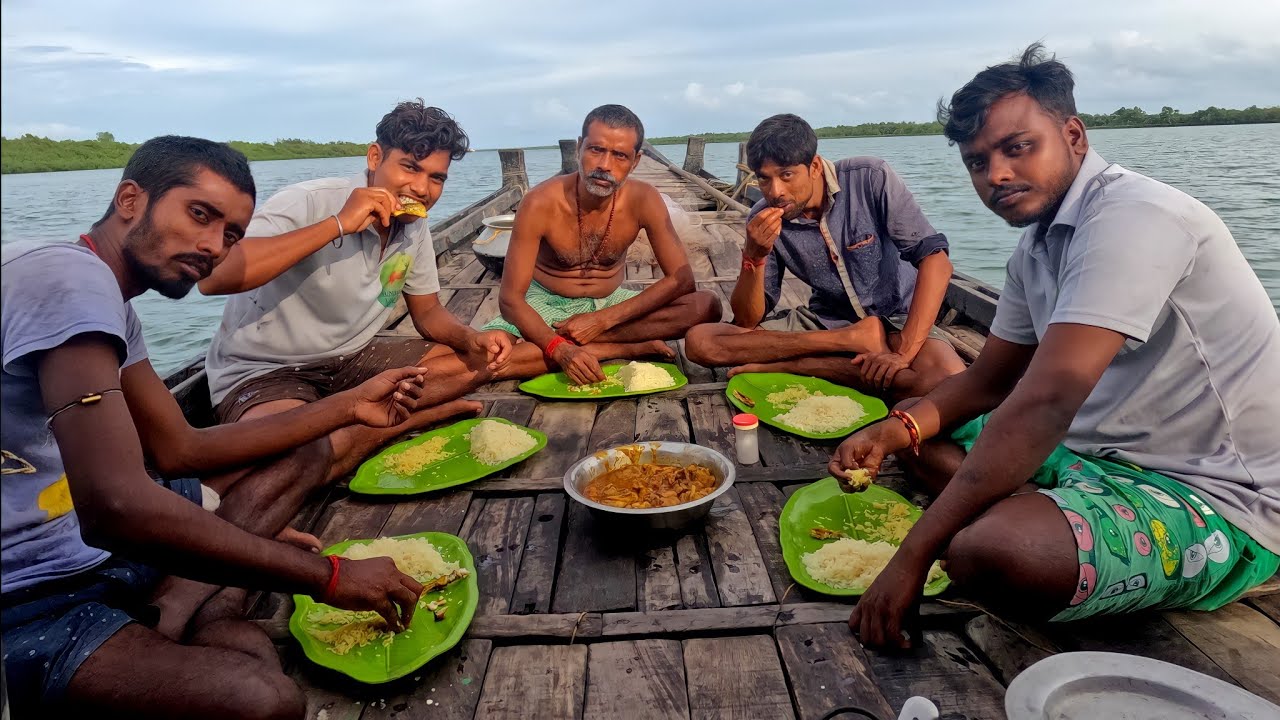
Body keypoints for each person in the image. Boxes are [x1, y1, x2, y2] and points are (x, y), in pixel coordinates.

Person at [829, 44, 1280, 649]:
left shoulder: (1135, 217)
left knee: (994, 553)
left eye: (1018, 148)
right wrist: (889, 434)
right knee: (917, 430)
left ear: (1073, 134)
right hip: (1098, 454)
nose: (996, 175)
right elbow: (986, 383)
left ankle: (1029, 511)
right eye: (977, 162)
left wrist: (911, 556)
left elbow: (1044, 402)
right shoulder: (1035, 248)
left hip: (1216, 493)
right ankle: (1032, 499)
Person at [1, 137, 441, 718]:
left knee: (286, 466)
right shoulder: (65, 278)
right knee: (266, 699)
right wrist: (327, 575)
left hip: (86, 545)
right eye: (199, 214)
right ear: (130, 198)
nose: (213, 246)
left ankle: (192, 599)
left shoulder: (115, 305)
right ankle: (197, 599)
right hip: (29, 592)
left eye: (233, 234)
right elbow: (115, 506)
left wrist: (349, 406)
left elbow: (179, 448)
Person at [201, 100, 492, 481]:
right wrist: (339, 223)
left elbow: (428, 313)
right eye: (410, 167)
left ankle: (349, 433)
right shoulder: (310, 201)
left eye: (436, 178)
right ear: (375, 157)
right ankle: (384, 428)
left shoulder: (412, 224)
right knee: (298, 456)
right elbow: (214, 276)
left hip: (351, 357)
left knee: (472, 365)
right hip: (268, 370)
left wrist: (471, 338)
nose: (421, 188)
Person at [684, 114, 965, 399]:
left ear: (815, 166)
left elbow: (936, 260)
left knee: (948, 379)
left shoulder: (870, 177)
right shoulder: (761, 218)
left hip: (898, 317)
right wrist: (753, 256)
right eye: (764, 179)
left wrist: (903, 353)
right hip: (829, 321)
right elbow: (746, 320)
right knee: (700, 342)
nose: (775, 192)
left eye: (786, 175)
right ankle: (845, 343)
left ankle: (798, 365)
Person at [470, 103, 722, 385]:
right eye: (596, 150)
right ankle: (614, 348)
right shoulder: (540, 202)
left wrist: (602, 320)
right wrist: (560, 350)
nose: (605, 165)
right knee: (490, 354)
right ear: (579, 147)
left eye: (620, 156)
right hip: (543, 303)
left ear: (636, 161)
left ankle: (589, 343)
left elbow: (681, 279)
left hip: (609, 304)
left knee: (706, 305)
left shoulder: (644, 199)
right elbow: (510, 300)